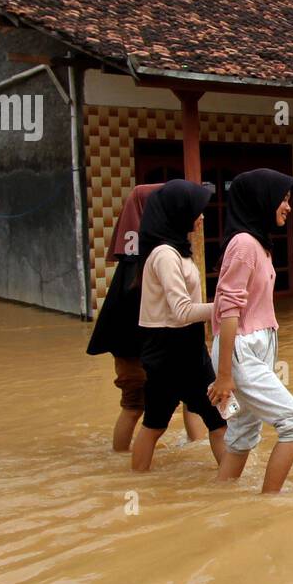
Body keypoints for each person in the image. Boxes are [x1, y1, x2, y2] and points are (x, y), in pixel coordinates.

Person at [208, 169, 293, 494]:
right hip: (240, 351)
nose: (287, 207)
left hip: (254, 349)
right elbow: (228, 309)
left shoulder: (259, 245)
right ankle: (269, 504)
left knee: (241, 437)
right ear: (260, 200)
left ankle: (219, 501)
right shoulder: (244, 245)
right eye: (282, 199)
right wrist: (225, 375)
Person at [86, 183, 206, 453]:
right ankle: (122, 461)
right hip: (137, 350)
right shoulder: (144, 262)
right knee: (134, 406)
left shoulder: (161, 253)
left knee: (191, 400)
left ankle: (194, 452)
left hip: (163, 347)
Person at [129, 180, 227, 472]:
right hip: (170, 349)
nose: (202, 216)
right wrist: (227, 309)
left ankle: (231, 484)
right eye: (197, 210)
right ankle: (231, 484)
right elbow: (182, 311)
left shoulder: (177, 251)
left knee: (214, 419)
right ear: (179, 212)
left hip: (184, 346)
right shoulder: (164, 255)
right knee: (160, 423)